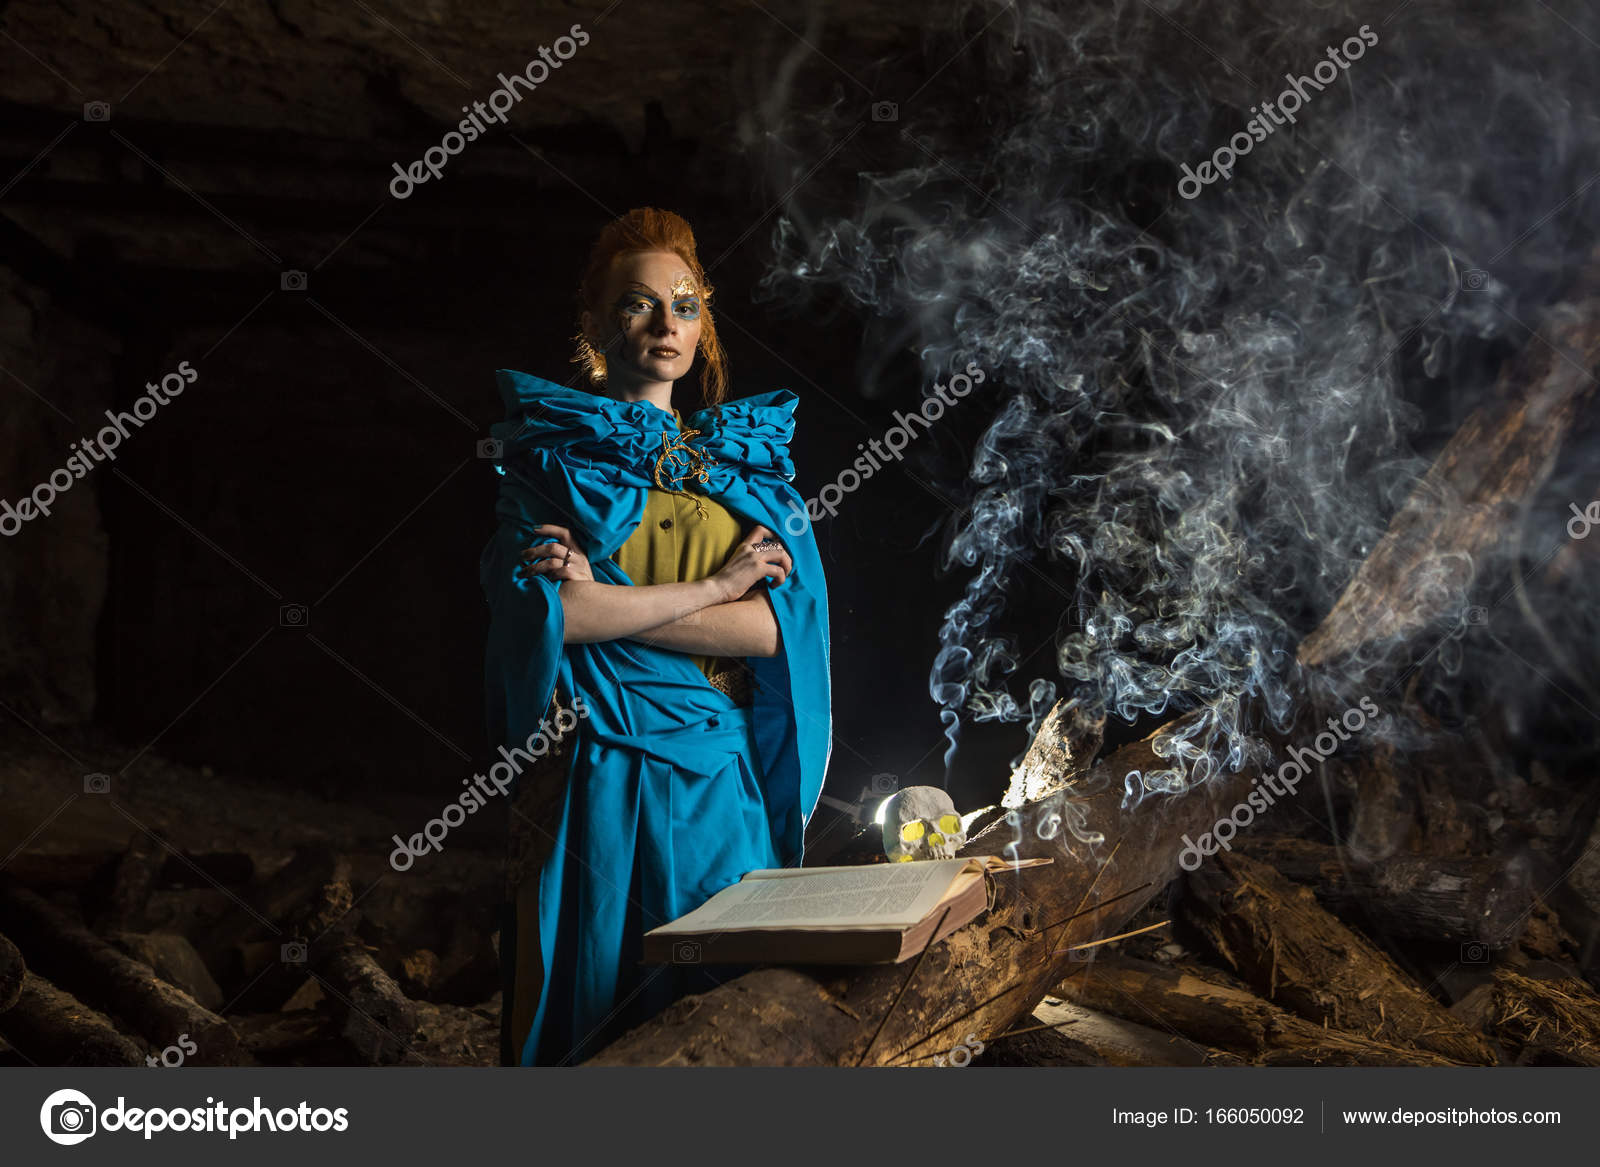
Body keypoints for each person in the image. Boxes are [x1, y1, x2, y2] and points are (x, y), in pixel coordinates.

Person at [480, 207, 833, 1066]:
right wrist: (716, 586)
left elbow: (772, 637)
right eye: (639, 304)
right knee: (594, 1003)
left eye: (685, 302)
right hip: (599, 771)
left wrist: (611, 602)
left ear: (704, 322)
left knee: (722, 1012)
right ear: (597, 325)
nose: (666, 323)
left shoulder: (749, 475)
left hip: (723, 778)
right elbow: (558, 617)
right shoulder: (548, 462)